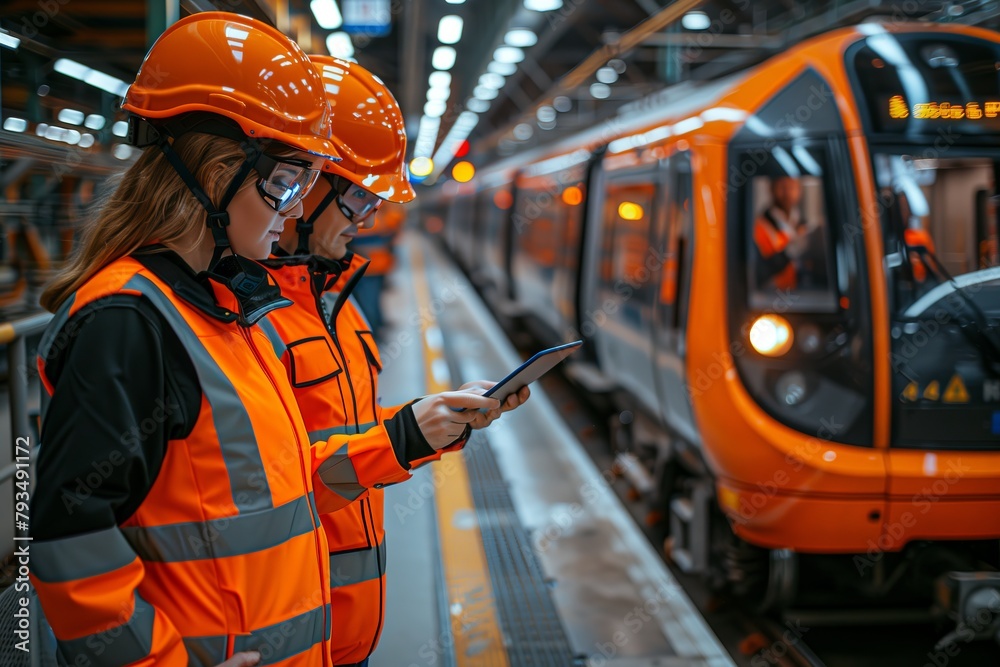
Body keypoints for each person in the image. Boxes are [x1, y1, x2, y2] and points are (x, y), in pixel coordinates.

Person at [27, 13, 449, 667]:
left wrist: (409, 437)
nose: (291, 206)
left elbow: (287, 486)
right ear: (218, 172)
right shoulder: (128, 320)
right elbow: (67, 541)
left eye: (306, 186)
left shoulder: (231, 312)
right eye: (285, 181)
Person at [261, 55, 529, 667]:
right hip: (284, 632)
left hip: (336, 630)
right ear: (304, 189)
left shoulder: (334, 305)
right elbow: (259, 491)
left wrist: (431, 418)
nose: (372, 218)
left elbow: (337, 427)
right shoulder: (248, 319)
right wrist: (404, 438)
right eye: (357, 199)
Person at [753, 176, 811, 291]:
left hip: (802, 296)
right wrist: (790, 251)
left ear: (799, 190)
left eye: (792, 187)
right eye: (782, 186)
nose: (787, 192)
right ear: (771, 188)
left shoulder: (803, 225)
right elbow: (759, 271)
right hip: (771, 298)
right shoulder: (760, 226)